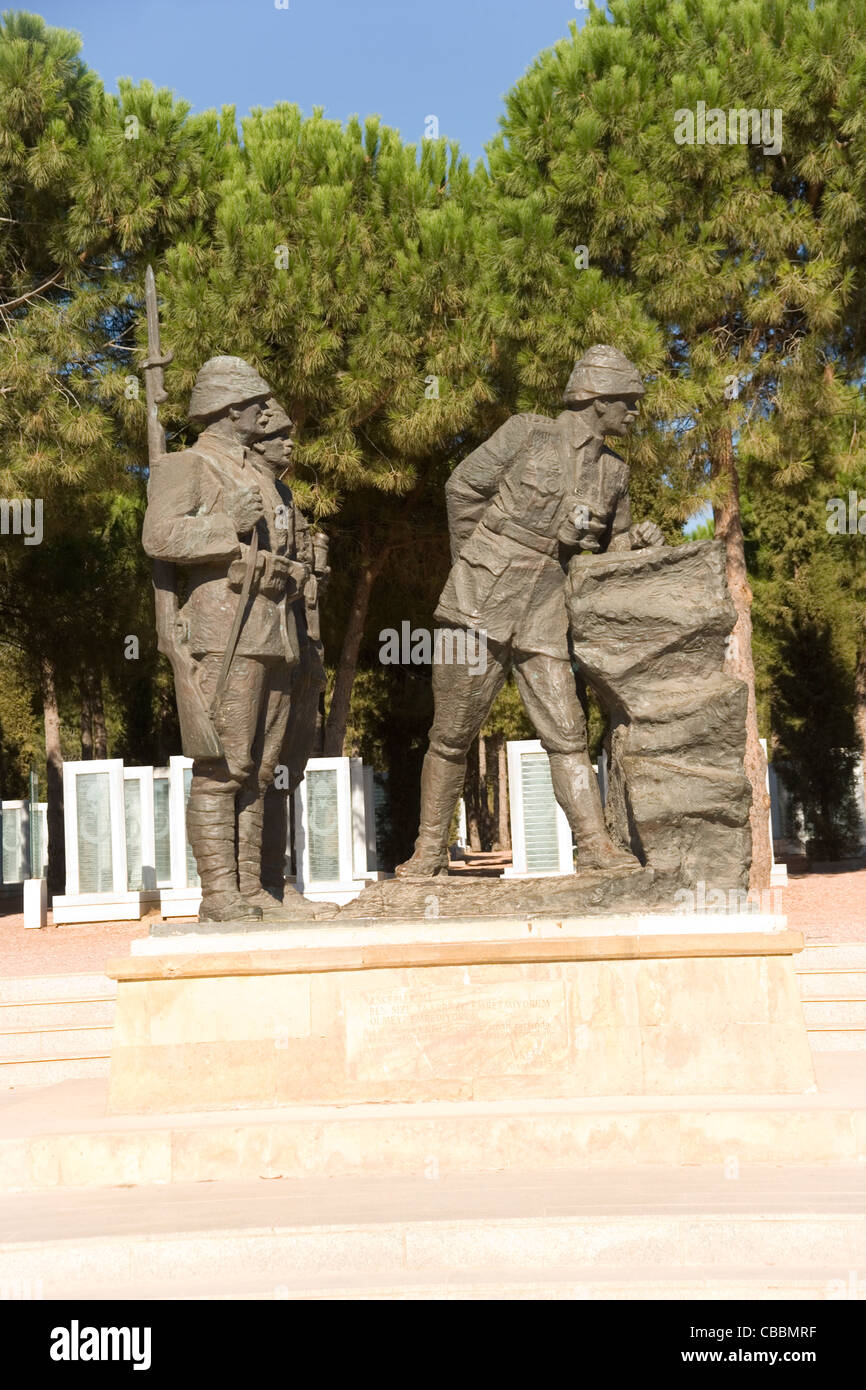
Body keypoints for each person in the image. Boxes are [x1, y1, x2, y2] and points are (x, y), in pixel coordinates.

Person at [396, 344, 665, 879]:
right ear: (596, 399)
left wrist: (636, 541)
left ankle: (593, 846)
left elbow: (611, 553)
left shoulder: (615, 473)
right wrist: (477, 561)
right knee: (451, 735)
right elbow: (463, 489)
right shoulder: (527, 432)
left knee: (567, 732)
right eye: (628, 403)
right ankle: (428, 851)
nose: (635, 414)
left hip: (547, 611)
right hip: (479, 599)